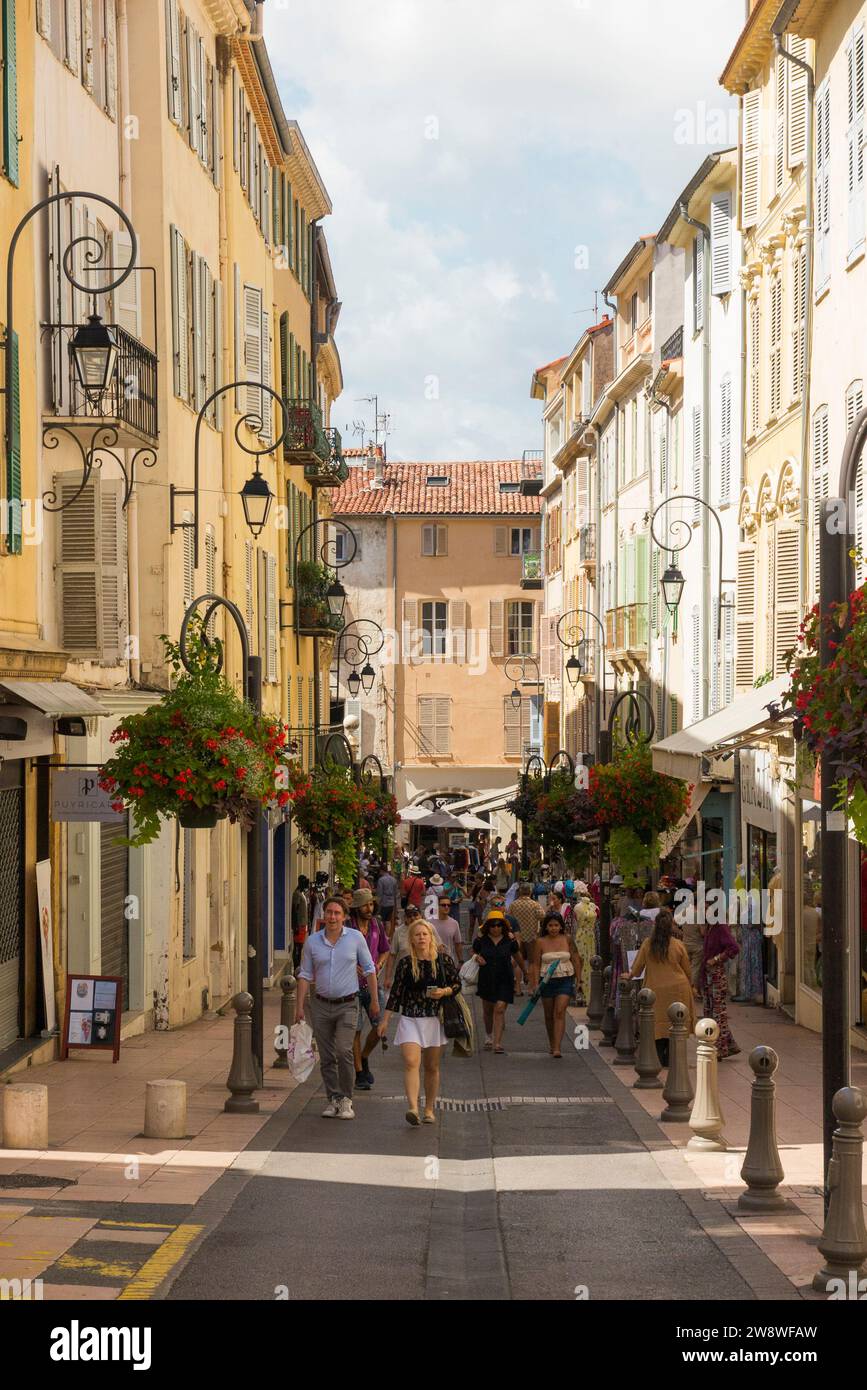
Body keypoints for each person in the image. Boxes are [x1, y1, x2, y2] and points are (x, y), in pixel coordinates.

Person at [295, 896, 378, 1119]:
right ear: (324, 915)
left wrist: (375, 1002)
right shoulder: (313, 941)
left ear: (345, 916)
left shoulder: (355, 938)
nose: (332, 917)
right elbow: (304, 974)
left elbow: (369, 969)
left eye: (337, 913)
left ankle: (346, 1100)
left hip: (348, 1004)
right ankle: (333, 1099)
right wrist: (299, 1006)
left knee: (343, 1050)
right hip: (321, 1005)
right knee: (327, 1055)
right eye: (329, 912)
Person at [378, 918, 462, 1126]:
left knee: (432, 1066)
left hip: (434, 1019)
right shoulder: (406, 963)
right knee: (411, 1062)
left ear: (431, 937)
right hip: (410, 1018)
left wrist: (445, 991)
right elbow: (396, 994)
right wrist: (385, 1020)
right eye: (417, 935)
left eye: (425, 934)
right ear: (412, 940)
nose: (422, 937)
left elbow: (457, 984)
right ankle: (413, 1107)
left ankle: (429, 1108)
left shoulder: (443, 960)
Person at [622, 908, 695, 1067]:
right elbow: (688, 971)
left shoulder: (648, 944)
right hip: (678, 990)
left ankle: (660, 1058)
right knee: (675, 1025)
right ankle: (673, 1059)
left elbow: (637, 969)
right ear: (671, 927)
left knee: (657, 1027)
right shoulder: (678, 945)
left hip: (655, 992)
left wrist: (629, 975)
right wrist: (693, 987)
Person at [348, 889, 392, 1090]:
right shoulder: (347, 927)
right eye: (365, 905)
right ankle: (359, 1074)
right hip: (351, 986)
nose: (369, 908)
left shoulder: (377, 925)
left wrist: (380, 965)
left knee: (380, 1026)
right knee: (355, 1030)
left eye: (371, 904)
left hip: (372, 983)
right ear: (356, 907)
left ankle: (364, 1056)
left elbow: (385, 950)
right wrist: (351, 966)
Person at [472, 907, 524, 1053]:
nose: (496, 928)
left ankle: (497, 1043)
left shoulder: (510, 940)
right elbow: (473, 952)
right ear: (488, 926)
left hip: (505, 978)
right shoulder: (481, 940)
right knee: (488, 1010)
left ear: (503, 926)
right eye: (493, 925)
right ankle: (489, 1035)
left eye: (499, 924)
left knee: (499, 1009)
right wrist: (477, 957)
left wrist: (525, 972)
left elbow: (518, 956)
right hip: (486, 978)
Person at [530, 911, 581, 1057]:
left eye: (556, 925)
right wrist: (534, 984)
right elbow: (535, 963)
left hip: (565, 978)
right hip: (546, 981)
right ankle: (552, 1042)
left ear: (561, 926)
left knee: (559, 1012)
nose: (553, 928)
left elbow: (576, 958)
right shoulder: (540, 942)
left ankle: (558, 1047)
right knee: (549, 1014)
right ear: (545, 927)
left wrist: (579, 979)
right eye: (550, 925)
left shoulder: (568, 939)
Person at [701, 919, 741, 1058]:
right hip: (707, 975)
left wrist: (717, 959)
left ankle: (720, 1048)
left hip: (716, 974)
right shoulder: (709, 927)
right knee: (710, 1010)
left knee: (718, 1012)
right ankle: (729, 1044)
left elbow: (734, 948)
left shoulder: (721, 927)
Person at [509, 882, 545, 988]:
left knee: (517, 962)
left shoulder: (513, 904)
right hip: (531, 936)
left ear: (520, 891)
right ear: (530, 892)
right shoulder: (534, 904)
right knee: (532, 962)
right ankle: (531, 988)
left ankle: (518, 988)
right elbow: (543, 916)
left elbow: (509, 919)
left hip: (517, 937)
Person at [384, 902, 421, 989]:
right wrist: (387, 978)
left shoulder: (429, 928)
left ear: (421, 915)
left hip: (423, 974)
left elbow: (438, 949)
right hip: (403, 975)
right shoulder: (398, 932)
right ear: (405, 918)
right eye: (409, 916)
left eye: (415, 915)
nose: (412, 918)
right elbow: (392, 955)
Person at [433, 894, 463, 967]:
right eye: (443, 905)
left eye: (448, 905)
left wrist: (460, 961)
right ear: (437, 906)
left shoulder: (454, 923)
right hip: (432, 961)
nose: (446, 907)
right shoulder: (429, 923)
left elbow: (458, 944)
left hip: (448, 962)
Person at [291, 875, 310, 969]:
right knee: (297, 947)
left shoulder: (302, 893)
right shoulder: (297, 894)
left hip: (303, 923)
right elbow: (295, 909)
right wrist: (296, 925)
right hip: (299, 924)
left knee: (301, 946)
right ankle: (296, 967)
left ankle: (298, 966)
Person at [375, 863, 398, 937]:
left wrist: (377, 904)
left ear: (381, 871)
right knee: (388, 921)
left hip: (383, 903)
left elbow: (379, 894)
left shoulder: (381, 880)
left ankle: (381, 937)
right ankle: (387, 937)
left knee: (380, 920)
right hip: (391, 903)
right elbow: (396, 893)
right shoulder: (393, 880)